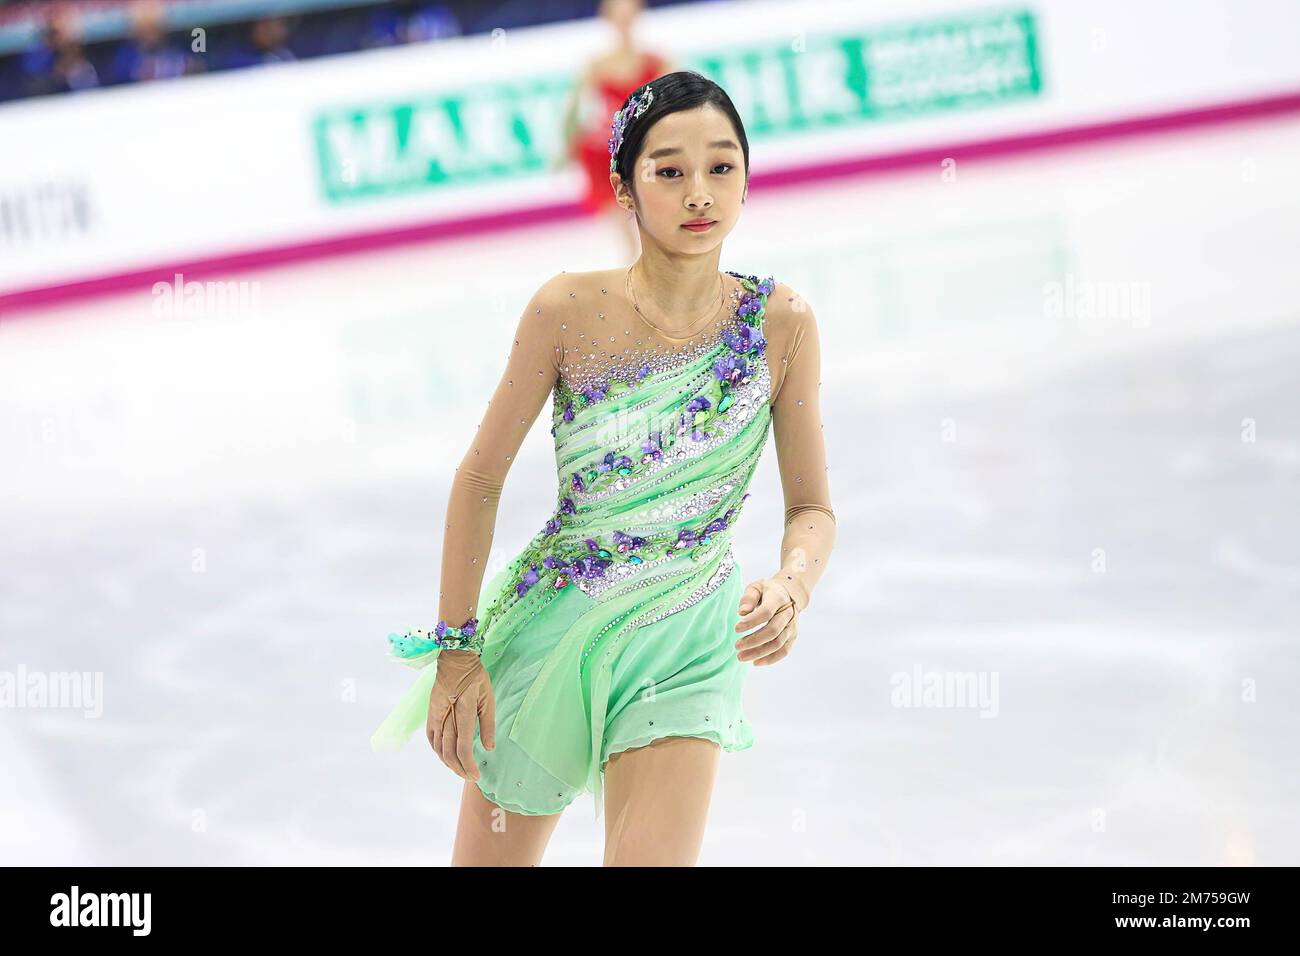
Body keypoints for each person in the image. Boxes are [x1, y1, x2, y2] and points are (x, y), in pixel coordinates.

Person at [372, 70, 837, 866]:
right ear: (625, 189)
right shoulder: (567, 310)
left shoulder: (780, 323)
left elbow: (812, 510)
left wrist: (794, 582)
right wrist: (456, 652)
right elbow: (481, 478)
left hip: (692, 633)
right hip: (556, 628)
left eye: (722, 167)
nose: (700, 192)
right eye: (669, 171)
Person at [559, 0, 677, 260]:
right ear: (607, 18)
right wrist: (565, 146)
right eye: (618, 13)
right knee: (628, 238)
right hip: (606, 154)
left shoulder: (657, 61)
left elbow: (681, 102)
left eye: (629, 12)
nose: (625, 20)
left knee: (655, 227)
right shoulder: (597, 65)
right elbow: (573, 110)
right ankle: (635, 282)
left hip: (646, 151)